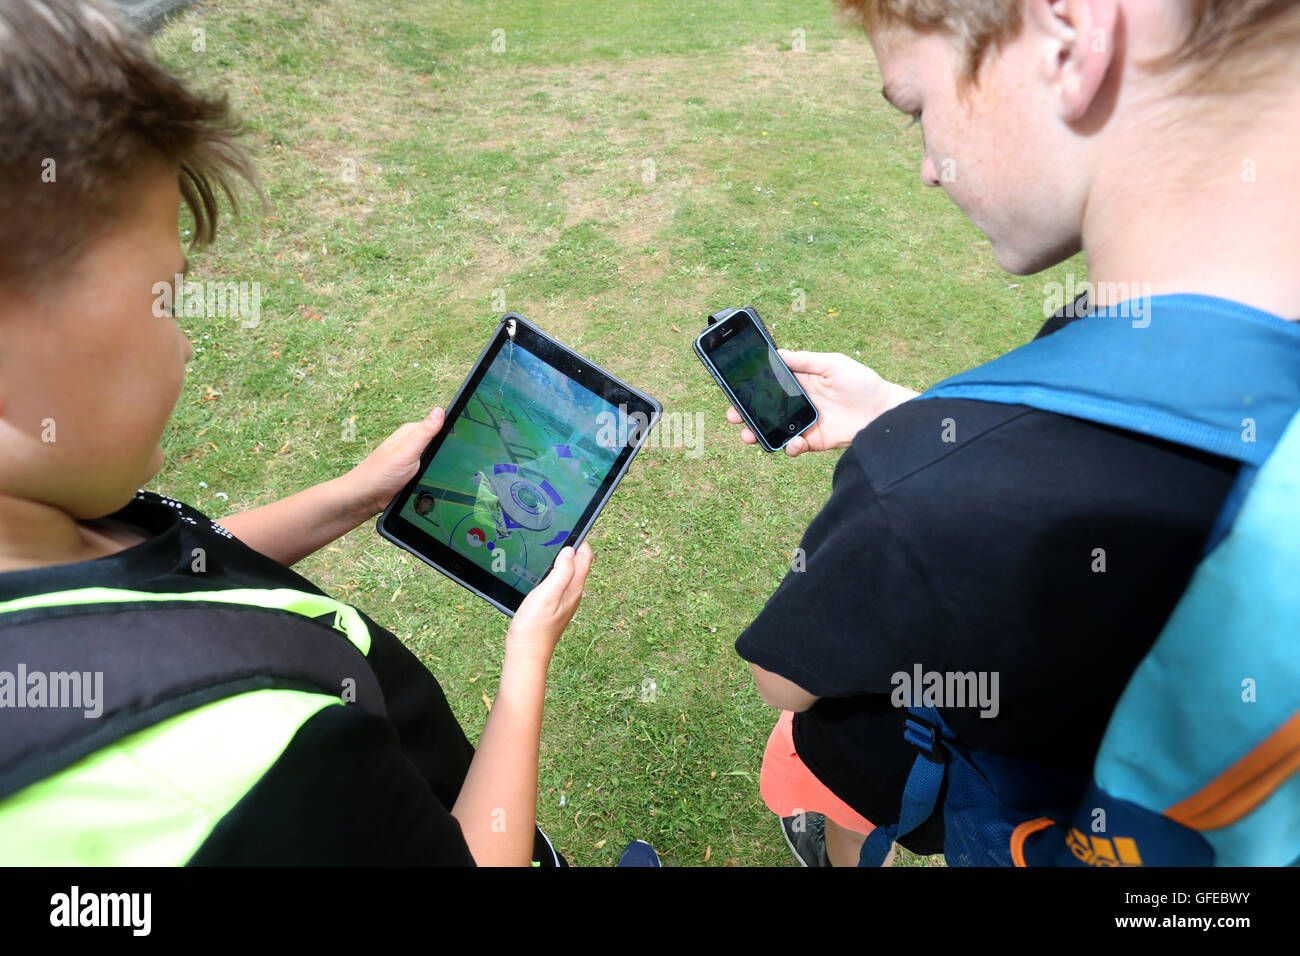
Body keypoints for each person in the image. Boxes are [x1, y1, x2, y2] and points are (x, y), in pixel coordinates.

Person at [0, 0, 593, 866]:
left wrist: (350, 496)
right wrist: (527, 659)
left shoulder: (48, 526)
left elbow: (162, 588)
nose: (185, 336)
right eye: (165, 296)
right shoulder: (233, 767)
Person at [728, 0, 1300, 865]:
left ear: (1070, 37)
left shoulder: (920, 492)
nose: (927, 166)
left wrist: (922, 458)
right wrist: (915, 420)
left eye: (918, 107)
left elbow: (782, 680)